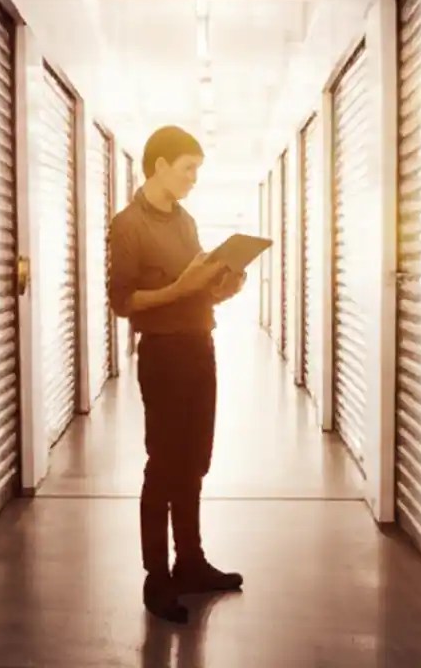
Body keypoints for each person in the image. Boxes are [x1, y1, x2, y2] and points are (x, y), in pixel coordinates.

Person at [107, 125, 247, 624]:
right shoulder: (128, 225)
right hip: (163, 354)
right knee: (164, 466)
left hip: (199, 348)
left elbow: (196, 290)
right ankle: (157, 577)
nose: (193, 179)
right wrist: (181, 289)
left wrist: (221, 286)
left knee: (195, 461)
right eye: (188, 168)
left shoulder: (185, 221)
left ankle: (190, 561)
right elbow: (123, 301)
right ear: (160, 164)